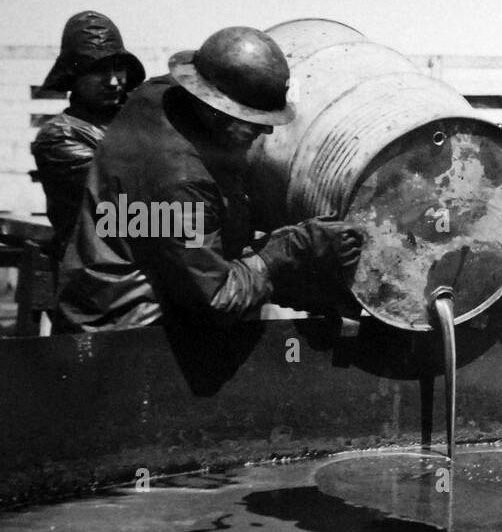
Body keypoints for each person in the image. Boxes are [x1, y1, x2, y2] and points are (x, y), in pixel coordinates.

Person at [56, 26, 362, 331]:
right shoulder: (181, 181)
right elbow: (217, 298)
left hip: (120, 290)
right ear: (217, 110)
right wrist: (287, 252)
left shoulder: (164, 94)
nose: (267, 130)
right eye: (254, 120)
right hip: (126, 328)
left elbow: (206, 239)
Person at [30, 11, 145, 268]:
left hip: (144, 260)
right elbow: (120, 207)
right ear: (73, 75)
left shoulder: (136, 122)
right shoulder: (60, 137)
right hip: (101, 274)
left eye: (118, 68)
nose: (114, 81)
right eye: (99, 70)